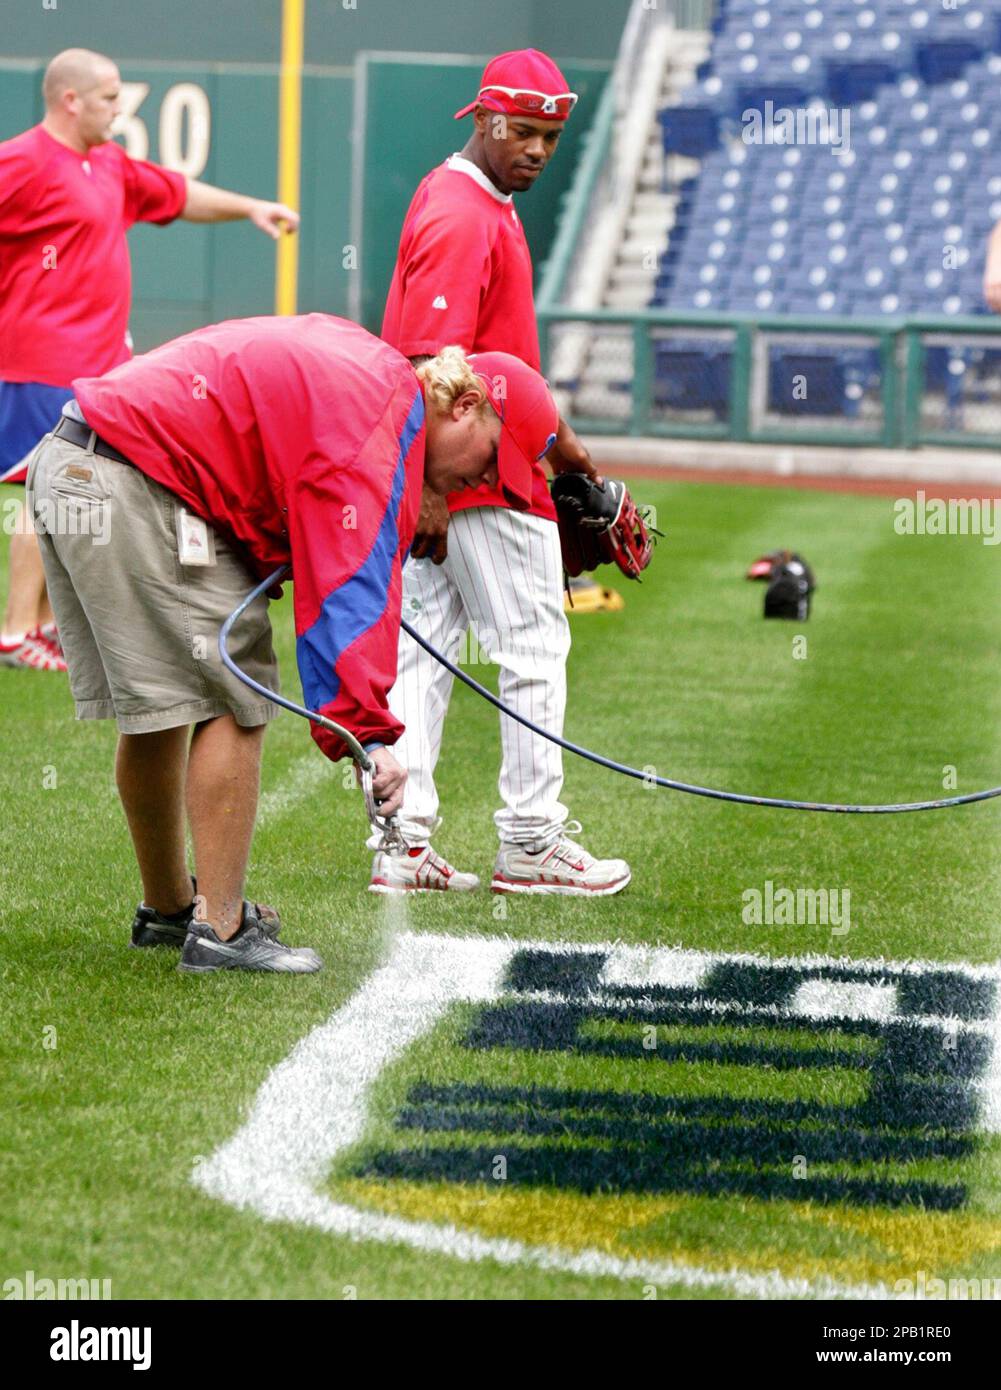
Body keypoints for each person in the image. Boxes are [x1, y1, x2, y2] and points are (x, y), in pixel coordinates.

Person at [27, 312, 555, 973]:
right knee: (235, 695)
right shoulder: (379, 417)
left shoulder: (371, 377)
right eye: (487, 462)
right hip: (133, 479)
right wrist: (367, 733)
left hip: (76, 462)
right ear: (466, 404)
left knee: (163, 706)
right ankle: (220, 930)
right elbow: (348, 586)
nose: (478, 484)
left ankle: (169, 910)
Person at [371, 48, 631, 897]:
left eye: (551, 136)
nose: (537, 150)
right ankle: (529, 841)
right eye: (522, 130)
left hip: (459, 473)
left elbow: (496, 363)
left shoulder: (480, 201)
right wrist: (436, 489)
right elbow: (427, 365)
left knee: (427, 653)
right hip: (473, 475)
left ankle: (403, 840)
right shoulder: (460, 212)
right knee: (530, 645)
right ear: (483, 117)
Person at [0, 47, 299, 671]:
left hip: (97, 364)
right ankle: (14, 631)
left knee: (75, 490)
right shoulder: (24, 161)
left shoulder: (107, 162)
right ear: (70, 100)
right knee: (41, 492)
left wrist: (249, 207)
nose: (120, 105)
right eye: (109, 96)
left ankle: (50, 624)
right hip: (38, 361)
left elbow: (177, 192)